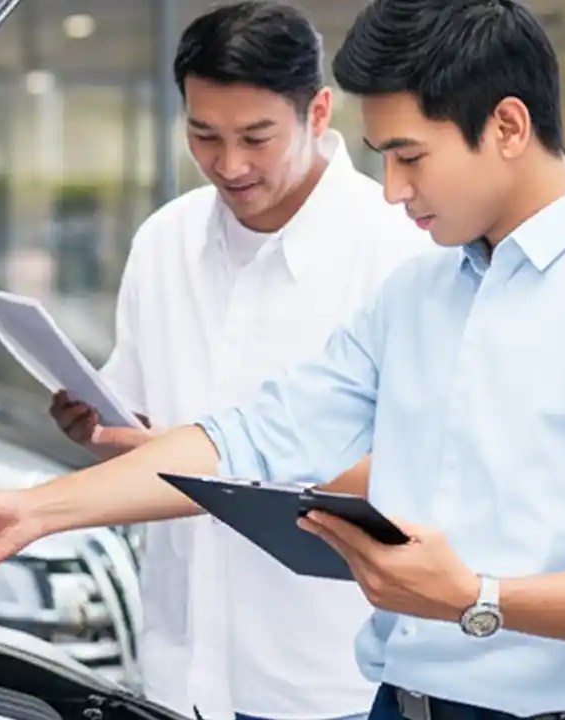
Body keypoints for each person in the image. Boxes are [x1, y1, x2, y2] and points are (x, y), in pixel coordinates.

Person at [0, 0, 565, 717]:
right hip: (393, 706)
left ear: (509, 126)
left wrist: (478, 601)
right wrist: (38, 511)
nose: (392, 190)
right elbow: (249, 437)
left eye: (410, 155)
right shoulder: (418, 293)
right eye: (382, 158)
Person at [50, 4, 432, 720]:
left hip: (328, 679)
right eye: (204, 134)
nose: (230, 164)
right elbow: (136, 411)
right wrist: (102, 426)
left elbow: (423, 467)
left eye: (257, 137)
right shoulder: (164, 241)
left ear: (319, 112)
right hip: (178, 667)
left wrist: (192, 459)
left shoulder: (399, 249)